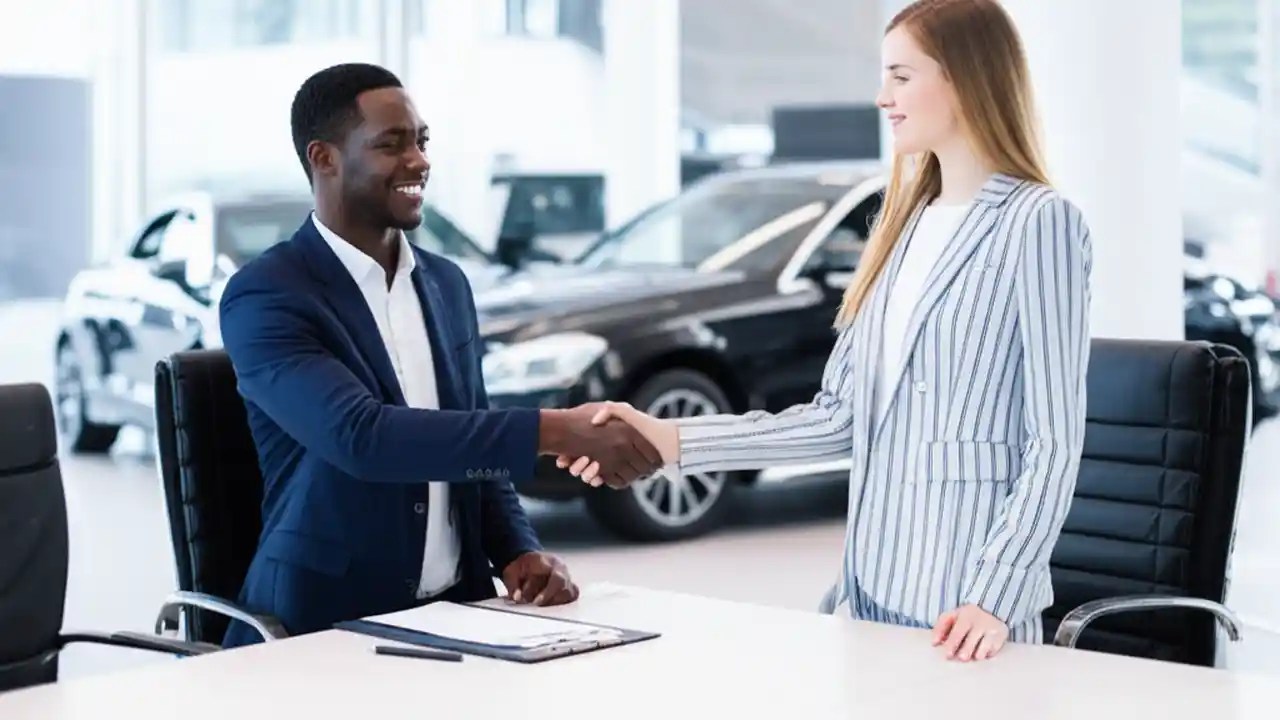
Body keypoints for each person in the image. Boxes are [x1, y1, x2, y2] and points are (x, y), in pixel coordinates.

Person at [559, 0, 1091, 663]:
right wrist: (667, 438)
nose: (882, 97)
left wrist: (997, 594)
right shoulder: (902, 225)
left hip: (970, 613)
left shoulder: (1039, 222)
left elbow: (1054, 437)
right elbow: (839, 419)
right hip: (869, 594)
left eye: (901, 76)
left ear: (964, 77)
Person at [217, 63, 662, 648]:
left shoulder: (447, 284)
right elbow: (363, 438)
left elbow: (468, 430)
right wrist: (555, 432)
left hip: (457, 615)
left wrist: (517, 549)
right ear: (323, 158)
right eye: (391, 144)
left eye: (422, 141)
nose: (419, 161)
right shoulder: (268, 294)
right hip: (320, 627)